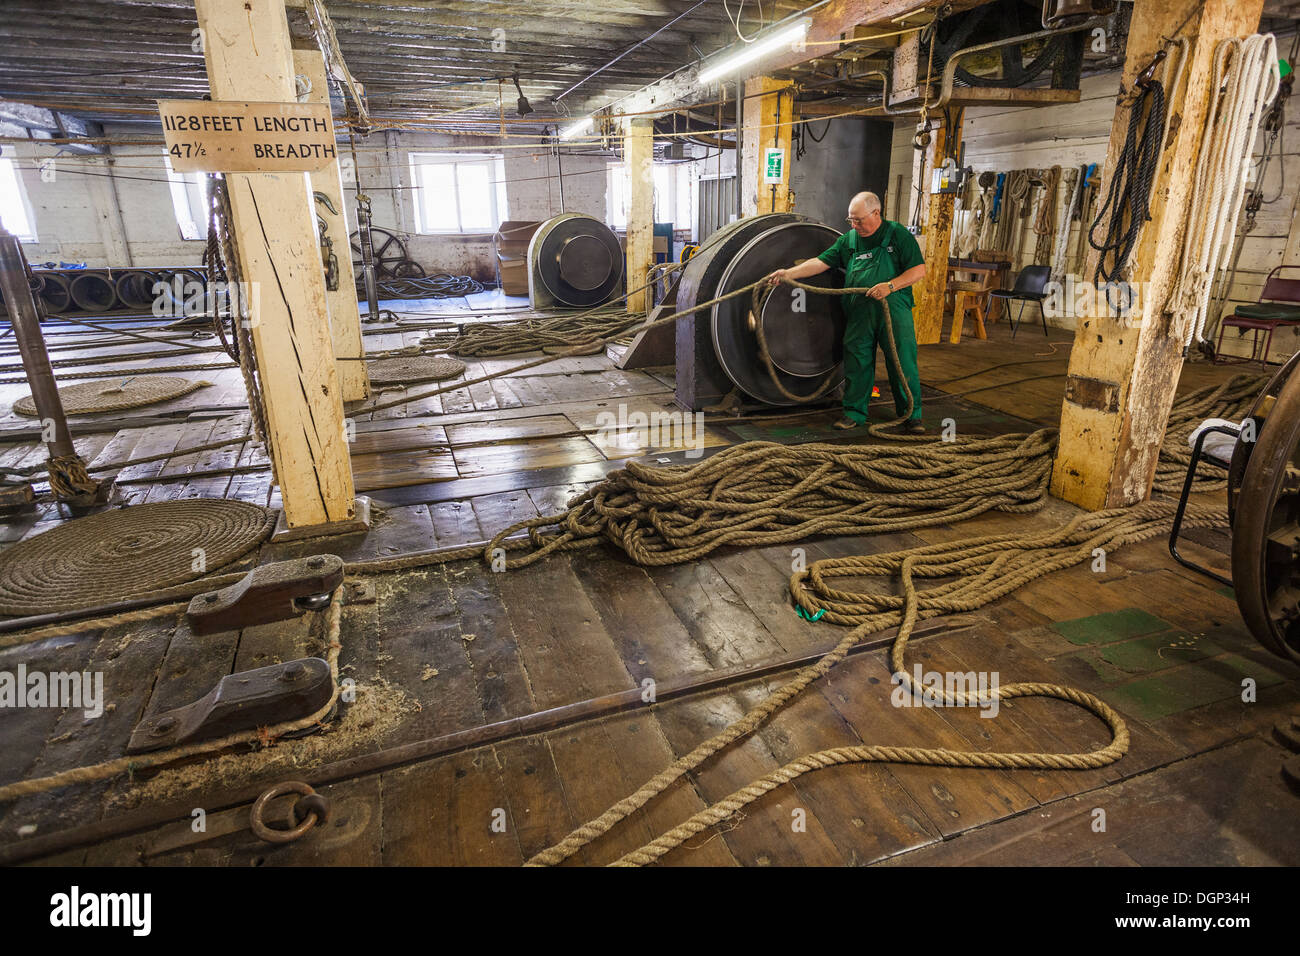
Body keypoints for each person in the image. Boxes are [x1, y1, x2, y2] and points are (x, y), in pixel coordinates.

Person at [767, 191, 927, 433]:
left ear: (876, 213)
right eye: (850, 220)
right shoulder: (849, 241)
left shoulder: (897, 235)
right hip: (860, 312)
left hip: (893, 311)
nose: (854, 225)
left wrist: (890, 286)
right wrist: (788, 273)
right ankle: (854, 413)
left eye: (859, 220)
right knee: (857, 362)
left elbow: (918, 270)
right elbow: (820, 262)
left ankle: (911, 415)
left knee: (901, 361)